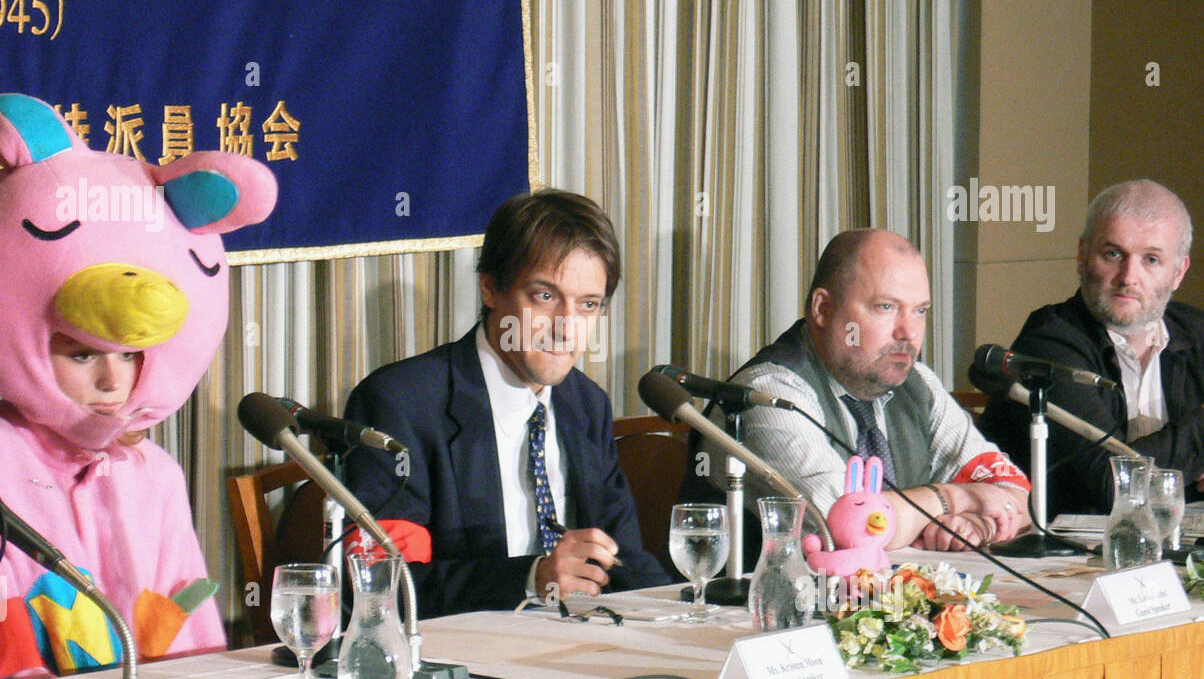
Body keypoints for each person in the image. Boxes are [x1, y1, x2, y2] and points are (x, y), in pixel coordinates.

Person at [0, 92, 277, 679]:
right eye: (82, 354)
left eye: (131, 354)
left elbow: (199, 647)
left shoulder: (155, 473)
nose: (113, 380)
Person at [342, 189, 670, 617]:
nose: (567, 329)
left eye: (588, 305)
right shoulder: (401, 404)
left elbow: (621, 558)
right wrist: (531, 579)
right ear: (491, 288)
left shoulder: (585, 404)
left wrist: (686, 614)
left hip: (580, 649)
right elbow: (384, 587)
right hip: (459, 664)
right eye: (545, 297)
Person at [681, 229, 1032, 566]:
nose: (908, 333)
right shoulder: (767, 396)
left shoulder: (918, 386)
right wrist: (958, 497)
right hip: (764, 618)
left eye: (920, 310)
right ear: (822, 308)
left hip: (889, 609)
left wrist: (980, 524)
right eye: (885, 307)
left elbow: (1016, 494)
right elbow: (849, 527)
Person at [978, 179, 1203, 516]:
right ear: (1083, 256)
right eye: (1113, 254)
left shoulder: (1196, 331)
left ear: (1178, 271)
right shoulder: (1049, 342)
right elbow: (1113, 487)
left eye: (1151, 259)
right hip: (1058, 559)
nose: (1129, 277)